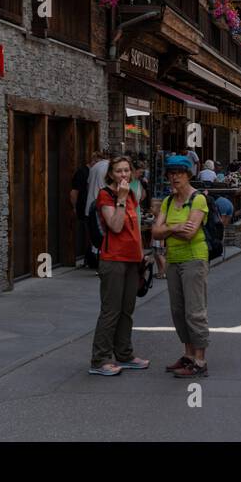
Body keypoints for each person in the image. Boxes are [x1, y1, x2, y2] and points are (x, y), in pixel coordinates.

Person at [89, 156, 149, 376]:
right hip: (113, 259)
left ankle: (124, 354)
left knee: (127, 311)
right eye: (118, 171)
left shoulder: (133, 195)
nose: (123, 175)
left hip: (132, 260)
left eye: (126, 170)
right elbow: (115, 226)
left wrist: (142, 255)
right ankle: (99, 359)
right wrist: (121, 198)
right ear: (111, 174)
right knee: (111, 311)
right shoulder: (106, 195)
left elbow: (136, 226)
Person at [152, 155, 211, 379]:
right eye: (171, 173)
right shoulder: (168, 201)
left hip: (194, 258)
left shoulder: (198, 200)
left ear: (189, 175)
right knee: (178, 311)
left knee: (194, 311)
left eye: (179, 172)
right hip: (173, 260)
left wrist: (167, 227)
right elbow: (155, 233)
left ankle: (200, 360)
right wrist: (175, 226)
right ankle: (187, 355)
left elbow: (190, 233)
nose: (174, 177)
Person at [72, 151, 98, 270]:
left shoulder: (93, 172)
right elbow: (74, 191)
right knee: (88, 234)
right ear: (93, 161)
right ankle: (89, 258)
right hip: (83, 208)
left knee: (90, 235)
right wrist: (74, 206)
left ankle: (89, 258)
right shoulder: (82, 172)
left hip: (88, 208)